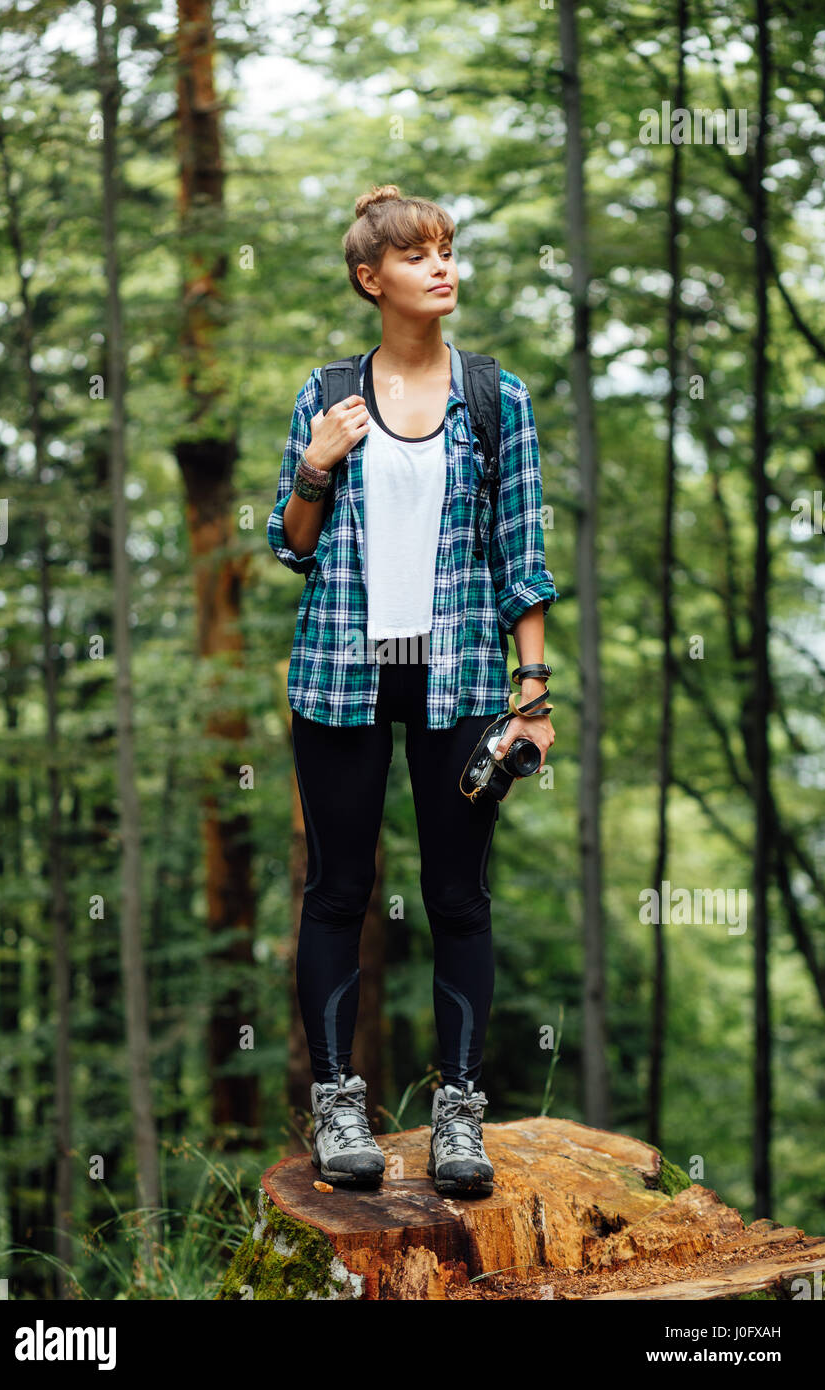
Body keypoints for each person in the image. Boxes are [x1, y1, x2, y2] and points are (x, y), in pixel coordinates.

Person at [267, 184, 558, 1196]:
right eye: (419, 254)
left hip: (463, 677)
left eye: (448, 249)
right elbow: (290, 547)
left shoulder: (495, 396)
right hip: (342, 673)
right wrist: (313, 465)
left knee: (457, 899)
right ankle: (337, 1102)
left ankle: (459, 1116)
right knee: (337, 892)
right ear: (369, 277)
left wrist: (532, 688)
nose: (443, 267)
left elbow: (522, 553)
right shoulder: (327, 392)